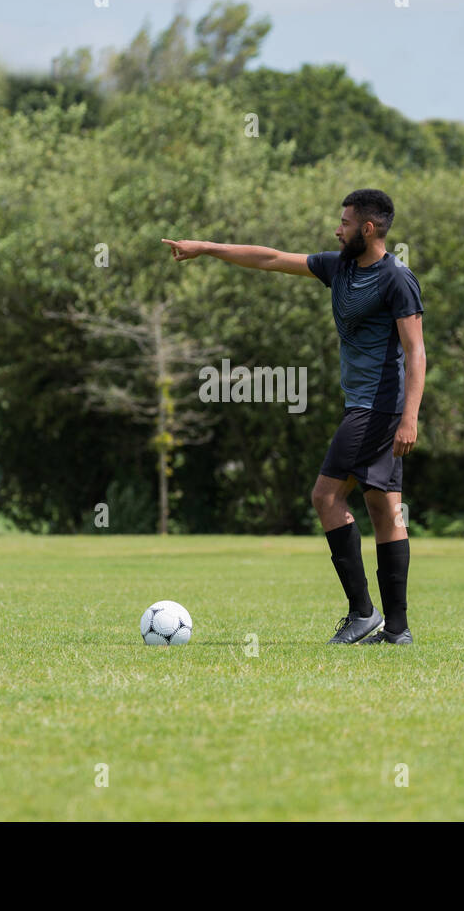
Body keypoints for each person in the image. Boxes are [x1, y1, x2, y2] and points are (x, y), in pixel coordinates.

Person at [162, 188, 425, 645]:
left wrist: (410, 418)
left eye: (344, 222)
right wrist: (206, 248)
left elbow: (416, 351)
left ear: (368, 228)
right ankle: (397, 630)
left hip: (378, 408)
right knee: (384, 509)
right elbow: (270, 259)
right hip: (363, 406)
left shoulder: (396, 279)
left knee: (325, 498)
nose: (336, 229)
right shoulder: (339, 266)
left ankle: (363, 614)